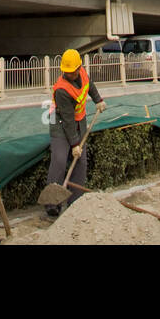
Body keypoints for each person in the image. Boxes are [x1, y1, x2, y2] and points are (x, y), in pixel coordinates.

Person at [44, 48, 106, 218]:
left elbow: (89, 85)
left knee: (81, 161)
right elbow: (67, 119)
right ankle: (52, 204)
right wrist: (74, 144)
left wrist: (98, 100)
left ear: (79, 68)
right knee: (59, 158)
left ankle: (75, 201)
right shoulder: (61, 90)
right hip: (59, 122)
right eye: (67, 72)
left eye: (73, 71)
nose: (70, 74)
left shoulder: (82, 73)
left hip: (79, 120)